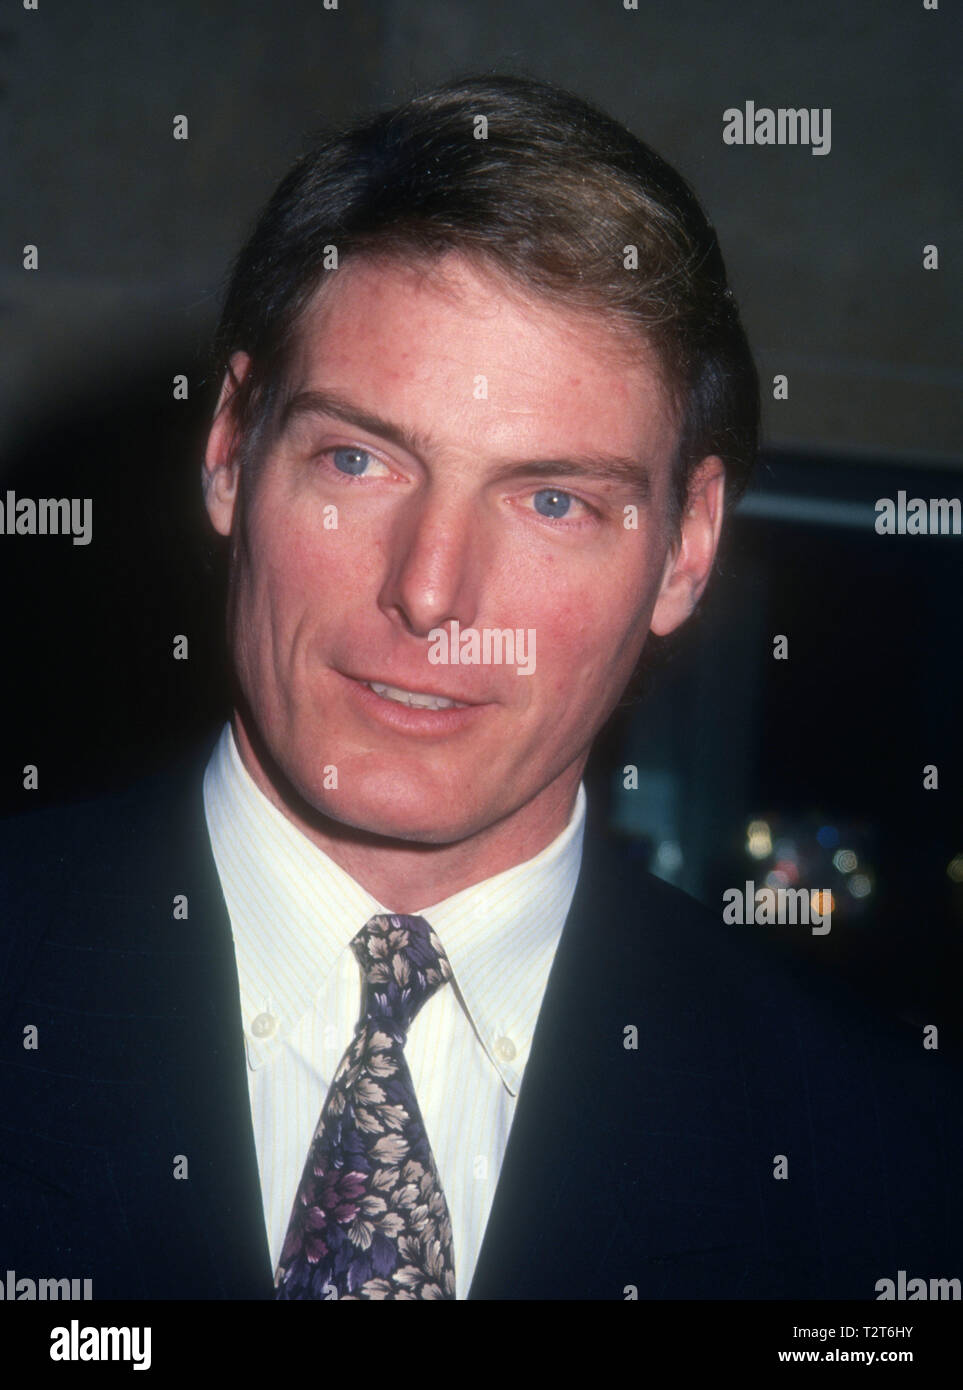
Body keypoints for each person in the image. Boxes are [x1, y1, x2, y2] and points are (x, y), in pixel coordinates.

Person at [1, 75, 959, 1302]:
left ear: (687, 550)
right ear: (232, 448)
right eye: (358, 457)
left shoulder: (892, 1176)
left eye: (553, 501)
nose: (433, 594)